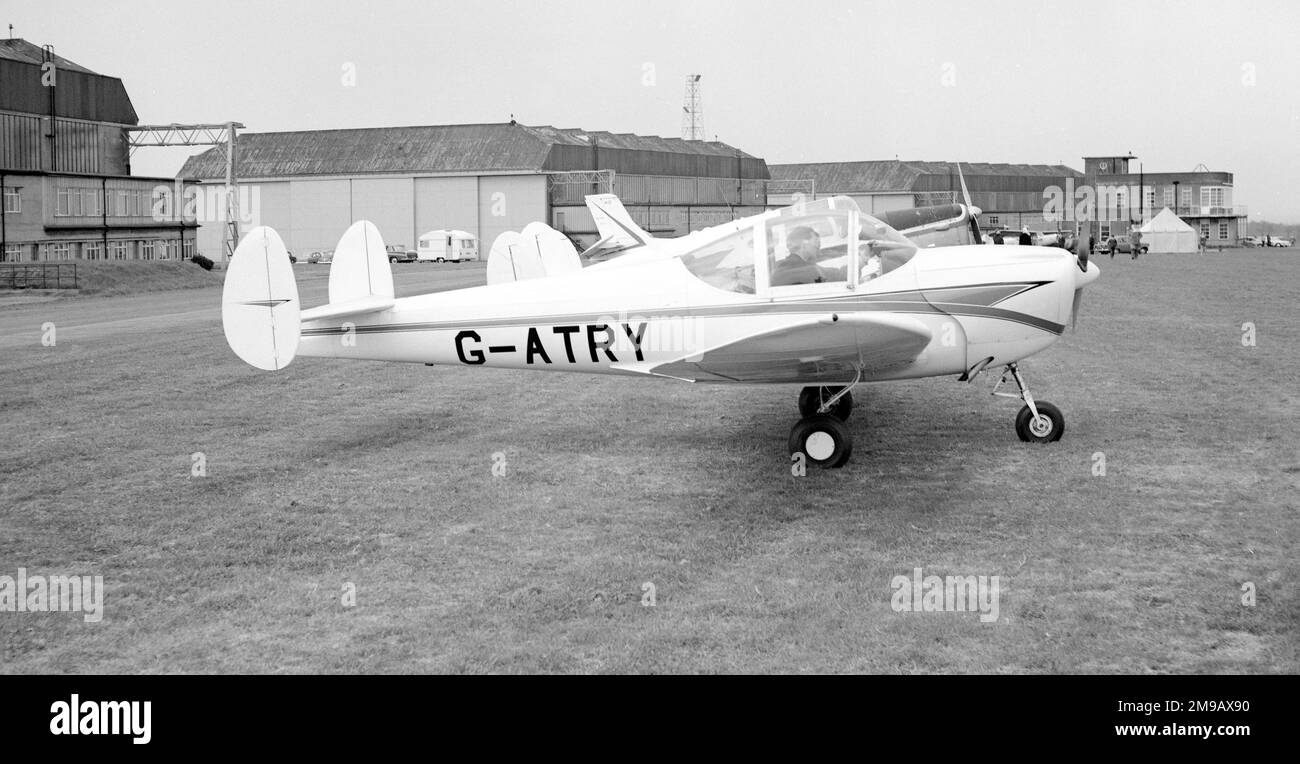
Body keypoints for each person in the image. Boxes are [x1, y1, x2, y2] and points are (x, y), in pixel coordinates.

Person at [771, 226, 845, 286]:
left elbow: (825, 272)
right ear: (804, 243)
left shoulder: (787, 265)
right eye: (816, 241)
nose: (819, 246)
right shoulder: (803, 269)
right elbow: (822, 276)